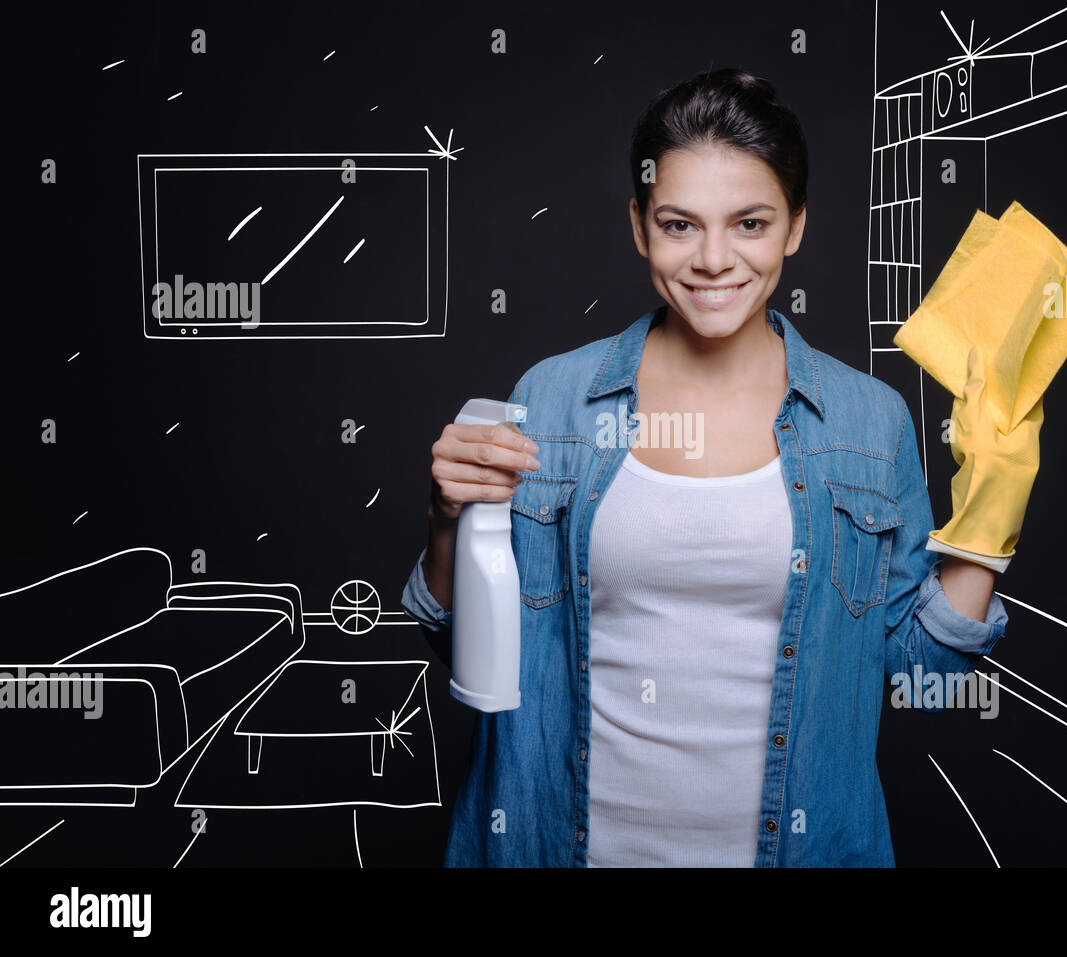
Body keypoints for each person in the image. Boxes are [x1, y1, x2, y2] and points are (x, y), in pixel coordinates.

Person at [401, 67, 1011, 867]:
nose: (715, 260)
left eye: (750, 223)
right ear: (639, 224)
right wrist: (451, 519)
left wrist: (997, 504)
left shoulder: (870, 422)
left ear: (795, 225)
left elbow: (916, 667)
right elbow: (468, 646)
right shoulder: (549, 400)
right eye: (680, 224)